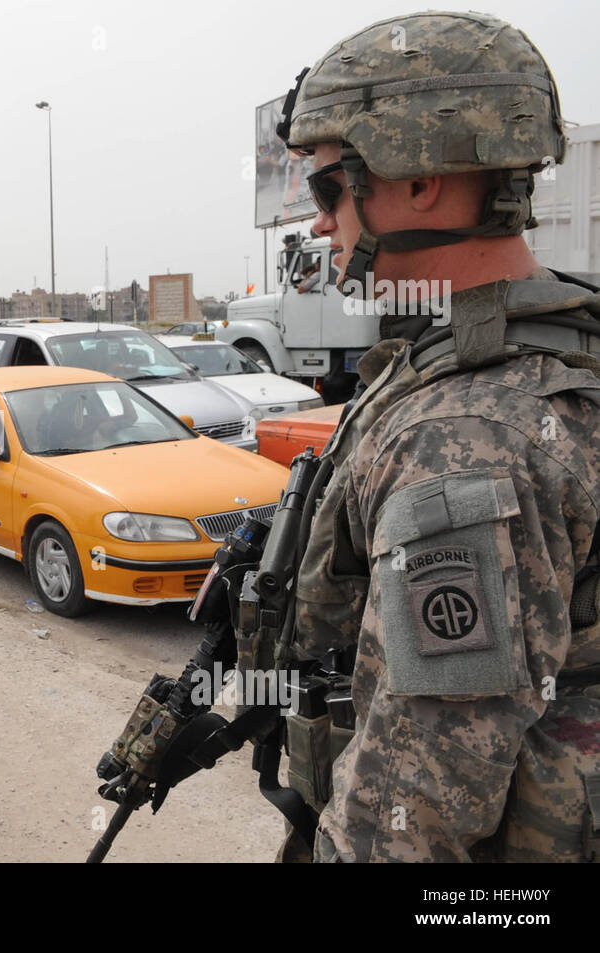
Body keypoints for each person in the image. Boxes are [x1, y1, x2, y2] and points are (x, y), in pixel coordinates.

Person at [273, 11, 600, 862]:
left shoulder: (465, 436)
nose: (319, 223)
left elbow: (415, 807)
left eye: (329, 188)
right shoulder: (536, 338)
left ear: (421, 179)